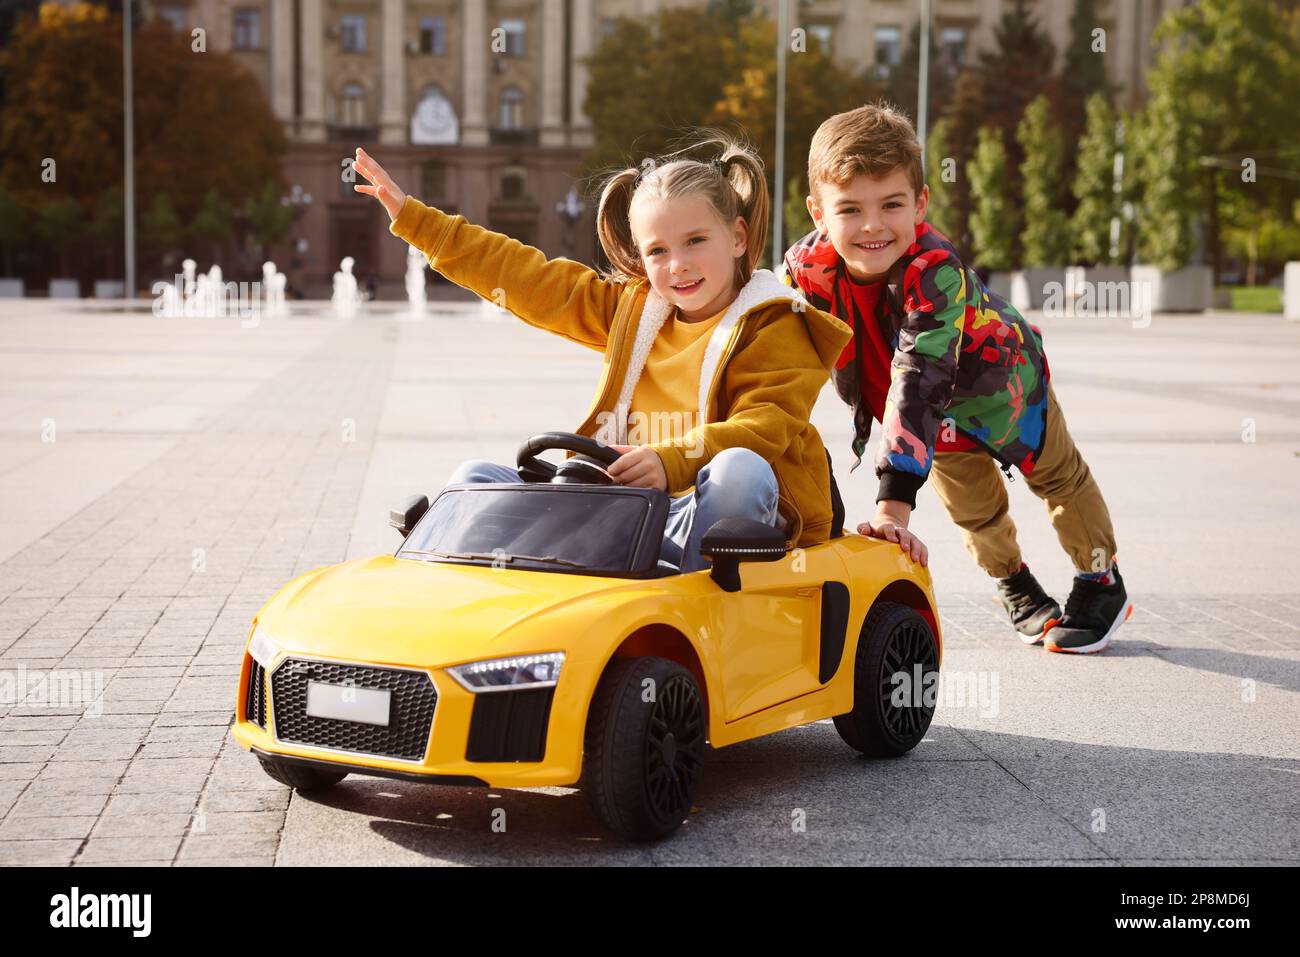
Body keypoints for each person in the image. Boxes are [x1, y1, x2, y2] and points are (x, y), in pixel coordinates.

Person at [353, 133, 851, 573]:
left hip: (717, 516)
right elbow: (529, 280)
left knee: (738, 468)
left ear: (737, 237)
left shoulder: (775, 321)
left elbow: (764, 427)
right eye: (657, 251)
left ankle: (689, 610)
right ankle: (475, 621)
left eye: (696, 241)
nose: (678, 265)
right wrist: (417, 223)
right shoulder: (634, 311)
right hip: (628, 515)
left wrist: (670, 459)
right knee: (474, 479)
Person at [781, 103, 1131, 654]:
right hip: (929, 423)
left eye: (891, 204)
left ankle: (1100, 579)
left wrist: (892, 504)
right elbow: (768, 340)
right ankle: (1013, 582)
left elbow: (921, 374)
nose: (873, 226)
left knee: (1058, 478)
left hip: (1006, 389)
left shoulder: (935, 272)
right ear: (817, 213)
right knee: (974, 508)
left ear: (920, 203)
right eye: (850, 208)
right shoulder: (805, 273)